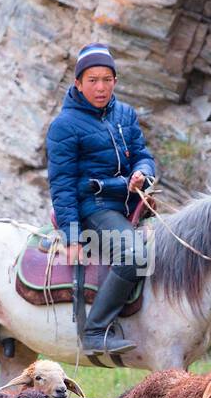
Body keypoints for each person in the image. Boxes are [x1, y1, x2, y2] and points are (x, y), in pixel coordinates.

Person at [46, 43, 158, 354]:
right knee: (134, 255)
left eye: (107, 79)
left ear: (115, 82)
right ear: (78, 84)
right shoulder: (64, 126)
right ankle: (95, 332)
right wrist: (71, 238)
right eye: (92, 80)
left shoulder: (125, 114)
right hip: (94, 208)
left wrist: (142, 174)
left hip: (131, 204)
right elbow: (62, 185)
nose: (101, 87)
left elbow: (143, 156)